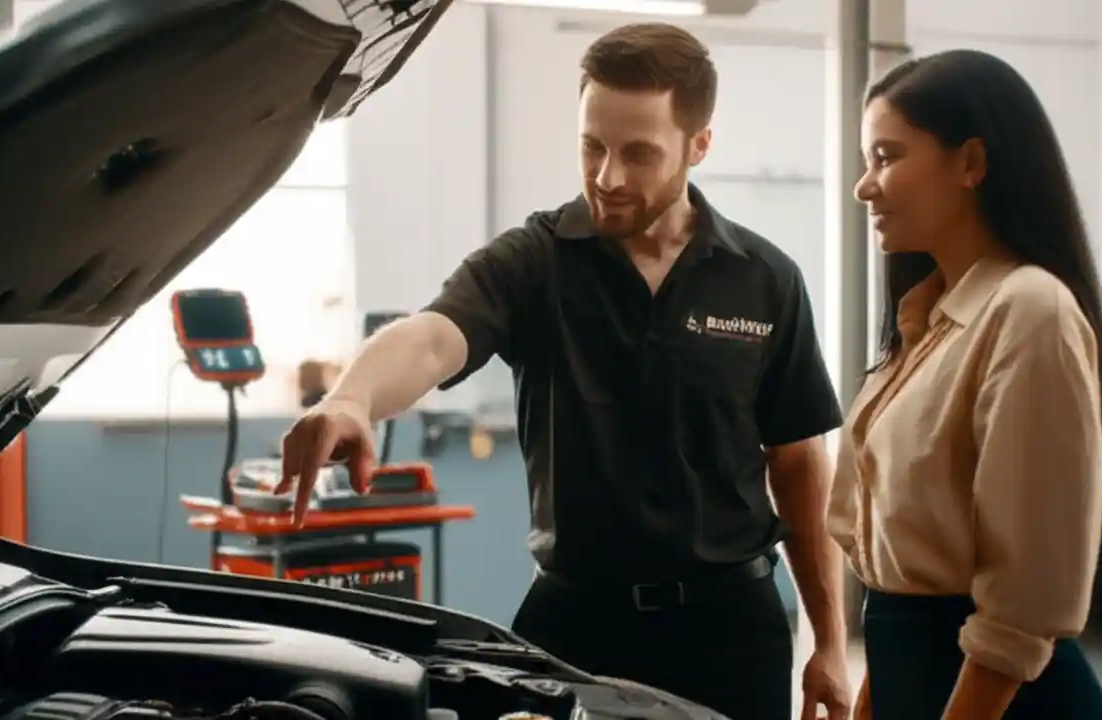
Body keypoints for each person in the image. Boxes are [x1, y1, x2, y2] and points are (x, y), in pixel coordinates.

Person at [278, 22, 851, 720]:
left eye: (639, 153)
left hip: (730, 628)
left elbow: (796, 464)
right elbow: (432, 339)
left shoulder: (764, 280)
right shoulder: (536, 261)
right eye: (592, 146)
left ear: (699, 145)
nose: (608, 176)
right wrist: (352, 398)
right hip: (577, 623)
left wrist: (827, 638)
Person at [832, 49, 1102, 720]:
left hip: (997, 699)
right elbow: (897, 587)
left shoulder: (1029, 311)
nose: (863, 187)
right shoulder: (925, 320)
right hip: (919, 681)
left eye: (886, 157)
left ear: (971, 163)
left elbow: (1026, 598)